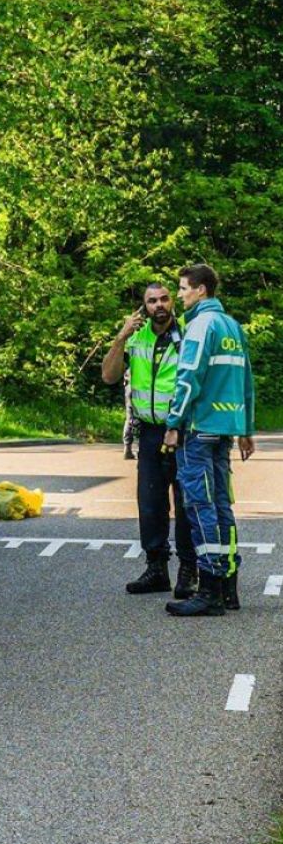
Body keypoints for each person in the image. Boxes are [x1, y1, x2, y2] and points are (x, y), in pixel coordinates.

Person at [163, 263, 256, 617]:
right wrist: (246, 429)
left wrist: (174, 422)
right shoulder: (232, 326)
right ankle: (228, 584)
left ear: (201, 289)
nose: (180, 295)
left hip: (199, 428)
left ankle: (209, 590)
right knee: (221, 505)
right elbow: (246, 381)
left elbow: (188, 376)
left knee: (200, 506)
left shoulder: (200, 325)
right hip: (224, 429)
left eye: (183, 288)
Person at [101, 283, 197, 597]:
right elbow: (109, 376)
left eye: (165, 299)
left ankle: (188, 570)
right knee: (151, 503)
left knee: (185, 503)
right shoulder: (137, 338)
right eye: (152, 301)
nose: (159, 305)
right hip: (151, 431)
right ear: (144, 308)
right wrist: (121, 337)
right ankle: (156, 568)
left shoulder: (188, 335)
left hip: (182, 431)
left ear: (172, 303)